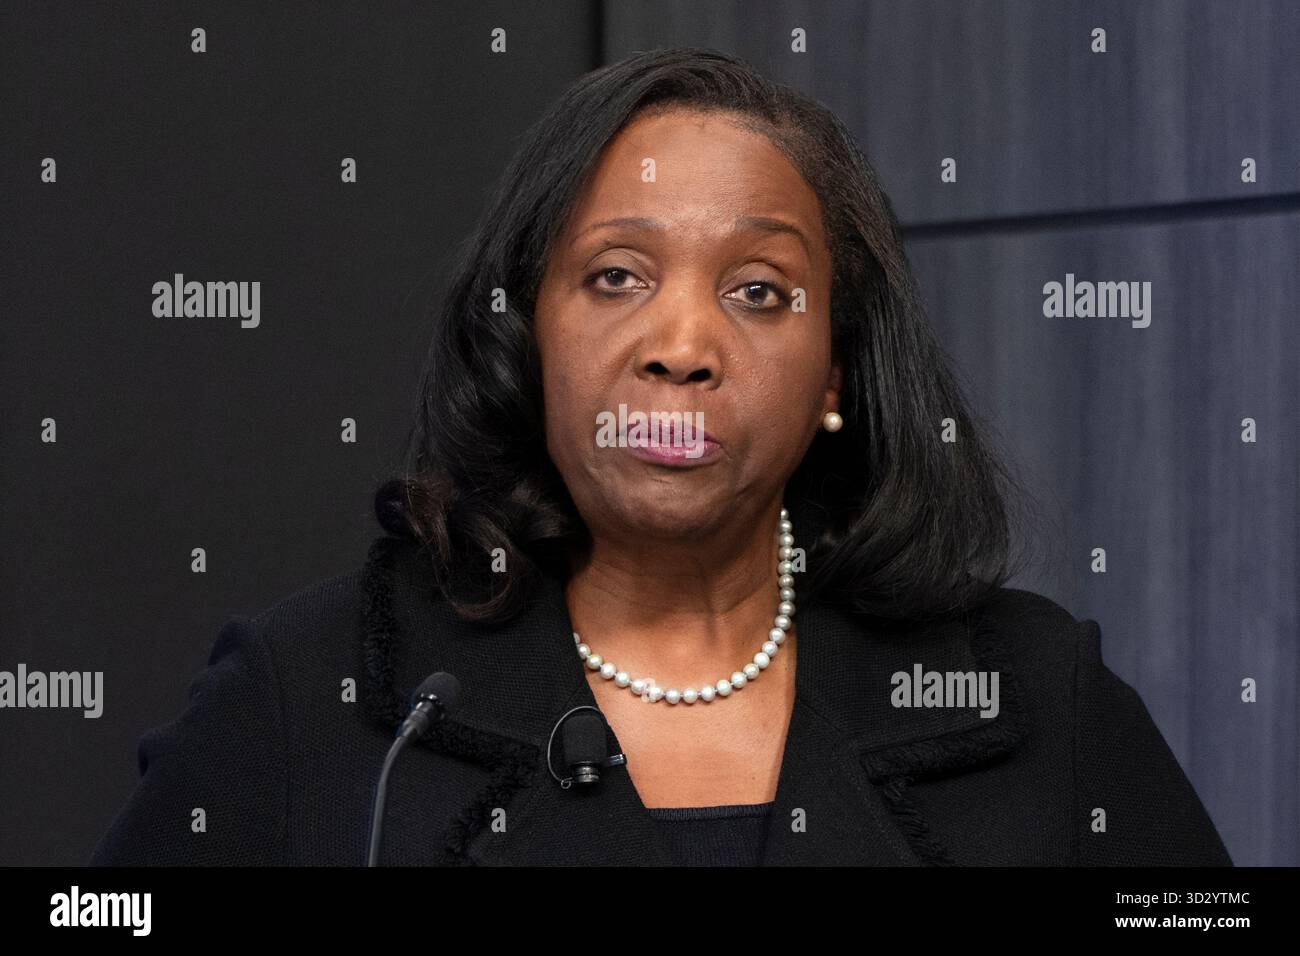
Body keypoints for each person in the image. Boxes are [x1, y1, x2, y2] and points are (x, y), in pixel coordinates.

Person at [89, 47, 1231, 866]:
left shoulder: (1039, 694)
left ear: (834, 372)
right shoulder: (308, 694)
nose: (681, 348)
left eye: (758, 292)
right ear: (525, 338)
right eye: (615, 277)